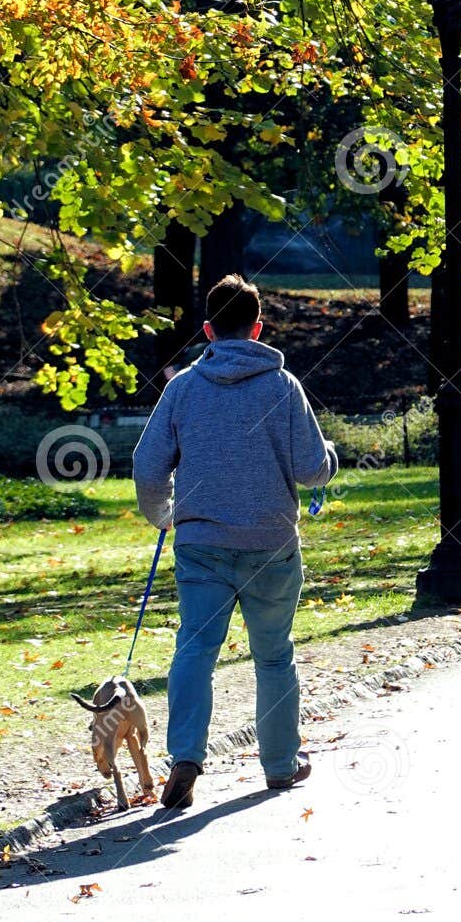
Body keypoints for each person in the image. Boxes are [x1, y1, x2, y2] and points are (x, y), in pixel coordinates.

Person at [132, 273, 338, 809]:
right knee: (273, 656)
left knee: (195, 649)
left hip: (201, 544)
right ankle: (279, 765)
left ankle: (185, 756)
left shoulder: (182, 389)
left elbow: (147, 466)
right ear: (257, 328)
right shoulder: (282, 386)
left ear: (207, 330)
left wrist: (163, 516)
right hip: (271, 542)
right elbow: (312, 469)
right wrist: (331, 457)